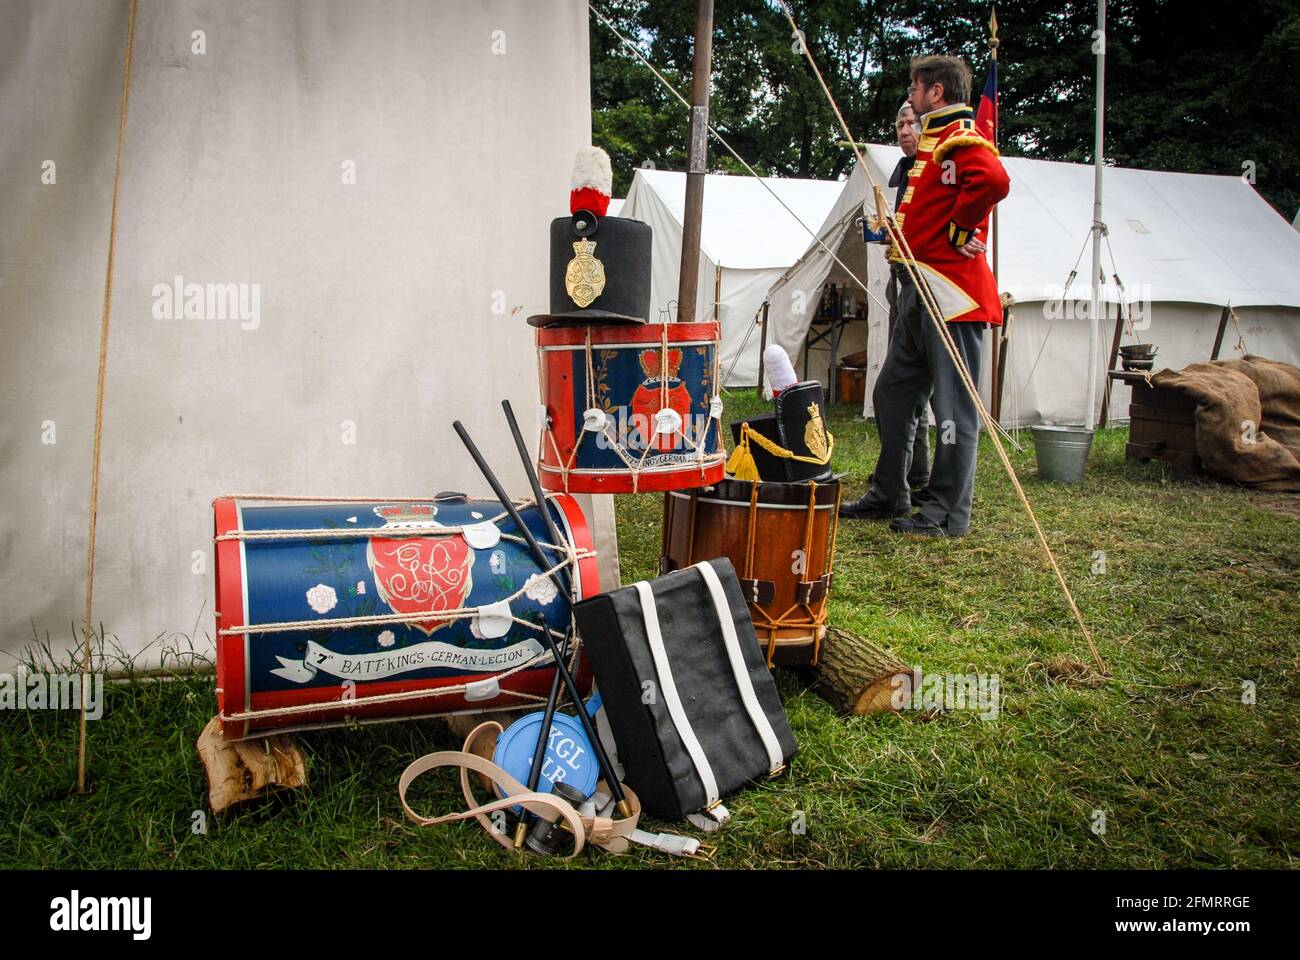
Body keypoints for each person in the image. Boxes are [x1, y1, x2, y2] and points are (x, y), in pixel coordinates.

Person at [840, 55, 1010, 536]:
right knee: (892, 393)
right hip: (917, 287)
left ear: (935, 92)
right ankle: (892, 491)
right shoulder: (935, 141)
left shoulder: (960, 138)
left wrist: (959, 227)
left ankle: (946, 514)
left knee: (953, 412)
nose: (910, 96)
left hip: (951, 295)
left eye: (915, 87)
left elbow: (994, 181)